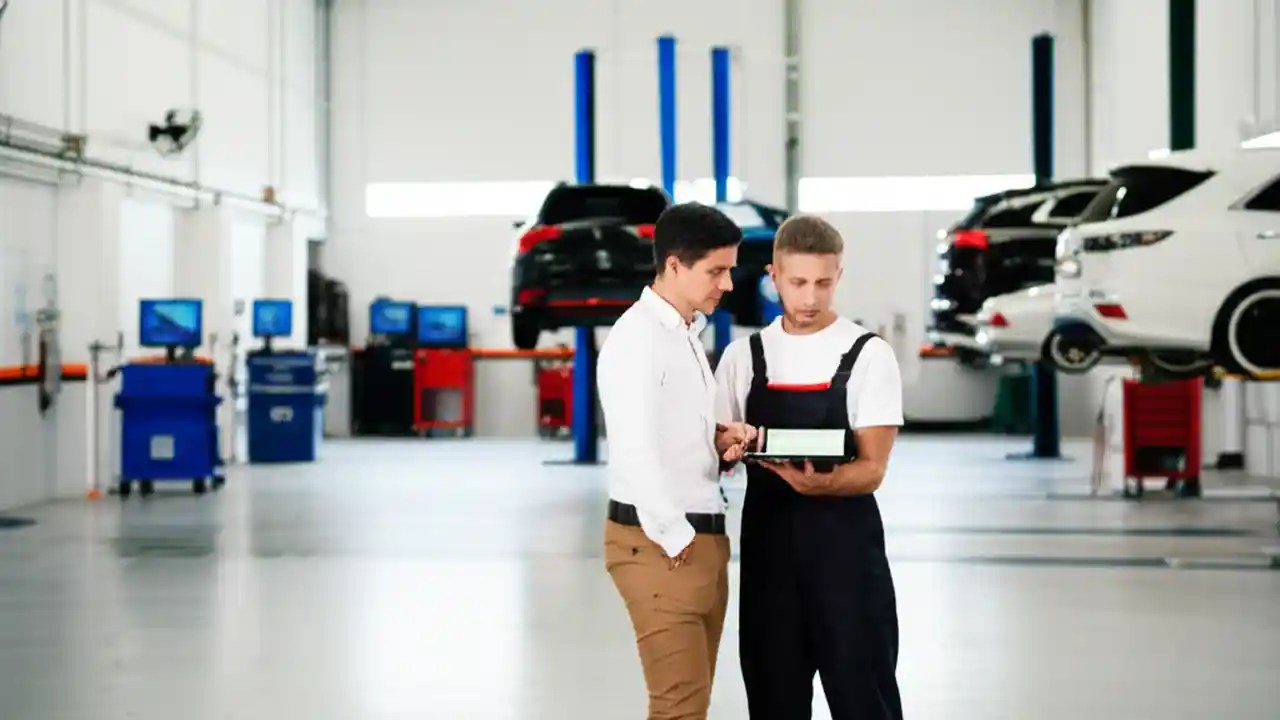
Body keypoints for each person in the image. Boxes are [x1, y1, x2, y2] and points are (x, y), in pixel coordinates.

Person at [715, 215, 905, 719]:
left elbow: (872, 470)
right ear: (773, 277)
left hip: (848, 561)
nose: (809, 298)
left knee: (865, 698)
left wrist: (822, 484)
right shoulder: (743, 357)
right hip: (769, 560)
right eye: (797, 283)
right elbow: (713, 447)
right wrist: (728, 449)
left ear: (838, 276)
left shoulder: (868, 355)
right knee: (774, 700)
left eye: (823, 282)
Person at [597, 202, 758, 720]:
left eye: (730, 269)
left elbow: (668, 431)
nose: (728, 283)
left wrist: (716, 440)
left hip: (702, 537)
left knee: (692, 705)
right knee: (679, 710)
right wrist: (675, 537)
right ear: (673, 265)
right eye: (716, 270)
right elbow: (633, 447)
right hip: (661, 543)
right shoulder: (636, 339)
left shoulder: (684, 334)